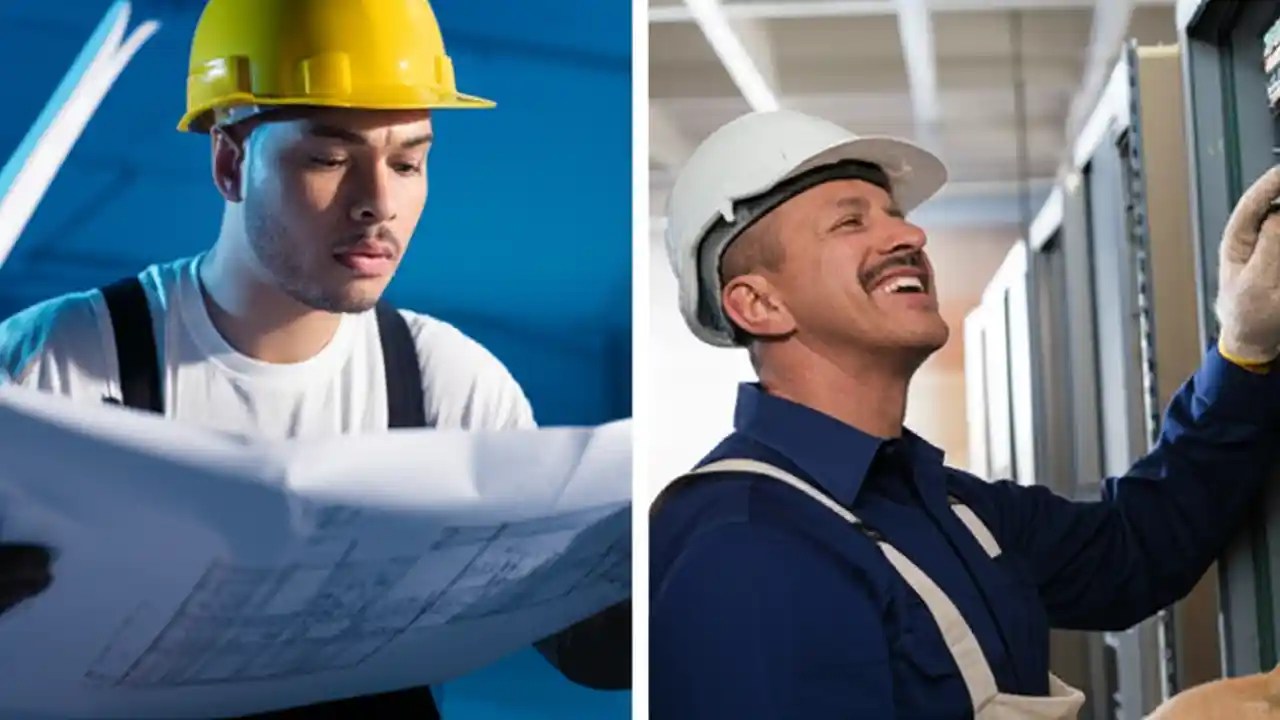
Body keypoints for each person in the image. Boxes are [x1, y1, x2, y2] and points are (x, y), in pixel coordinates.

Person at [0, 0, 629, 717]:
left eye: (408, 161)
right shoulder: (52, 368)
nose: (377, 203)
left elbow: (577, 636)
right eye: (330, 158)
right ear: (231, 162)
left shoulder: (453, 387)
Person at [648, 107, 1280, 719]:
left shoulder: (944, 505)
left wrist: (1243, 350)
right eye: (850, 223)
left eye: (895, 214)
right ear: (758, 304)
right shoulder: (743, 546)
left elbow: (1134, 550)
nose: (910, 234)